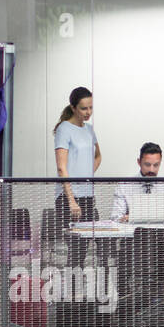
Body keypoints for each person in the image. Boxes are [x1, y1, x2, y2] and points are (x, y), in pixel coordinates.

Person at [53, 86, 101, 225]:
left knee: (90, 240)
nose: (88, 112)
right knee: (76, 243)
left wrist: (87, 173)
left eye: (91, 107)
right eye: (84, 108)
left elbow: (98, 156)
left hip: (88, 195)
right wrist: (72, 201)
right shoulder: (64, 129)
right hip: (69, 197)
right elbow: (61, 168)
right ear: (73, 108)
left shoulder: (89, 129)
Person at [112, 142, 164, 223]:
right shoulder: (124, 186)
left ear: (160, 163)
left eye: (156, 165)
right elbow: (116, 218)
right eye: (147, 164)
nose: (151, 170)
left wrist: (138, 216)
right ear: (139, 162)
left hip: (163, 233)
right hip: (133, 233)